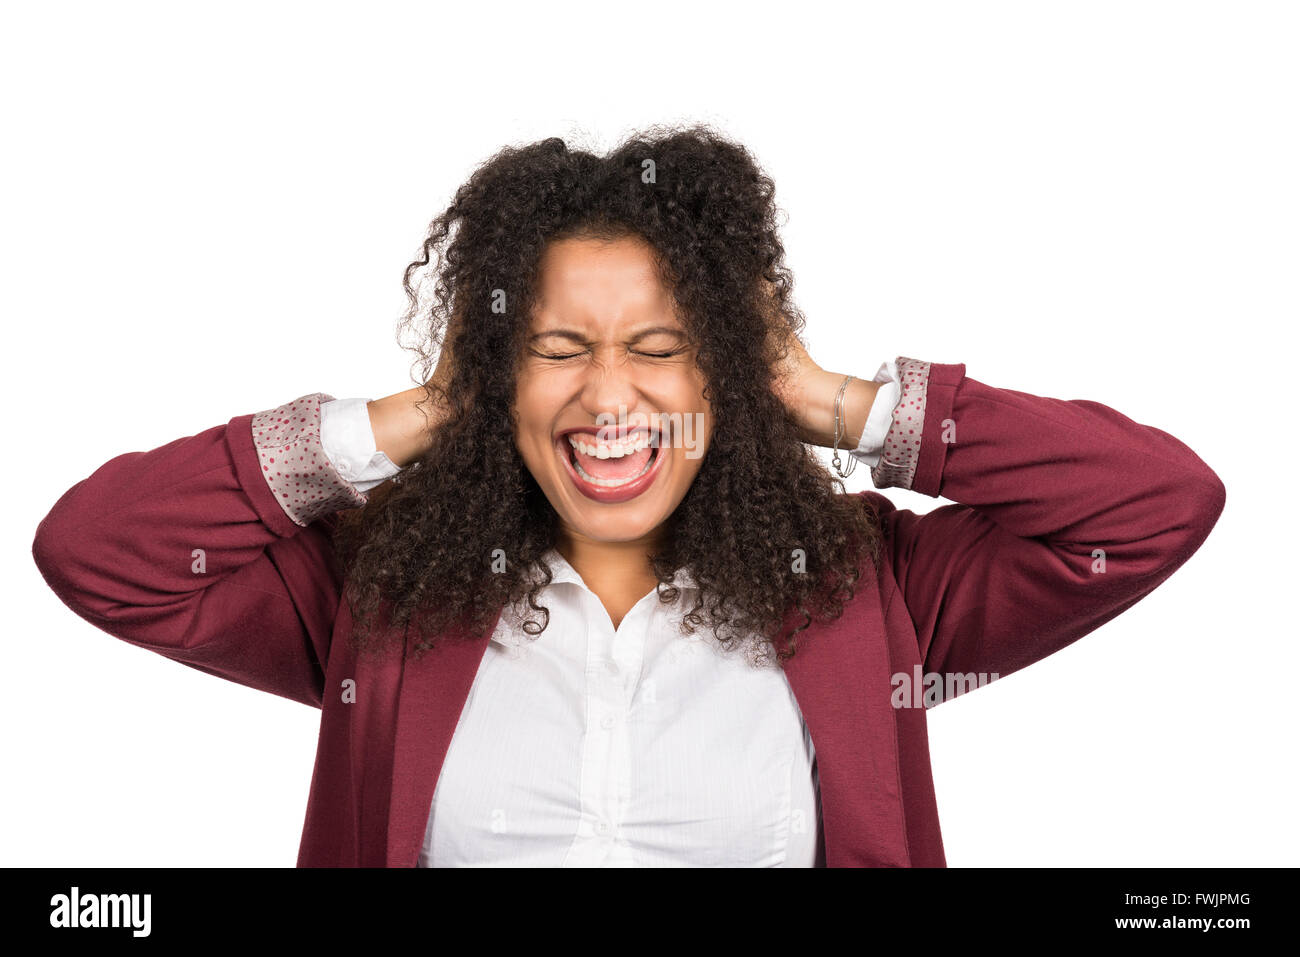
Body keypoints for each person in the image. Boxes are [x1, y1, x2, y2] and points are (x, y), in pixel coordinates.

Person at [30, 125, 1226, 867]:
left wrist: (832, 398)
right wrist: (427, 411)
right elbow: (99, 555)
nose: (608, 397)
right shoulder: (384, 593)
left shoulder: (871, 593)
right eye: (557, 348)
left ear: (729, 366)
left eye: (659, 344)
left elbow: (1150, 506)